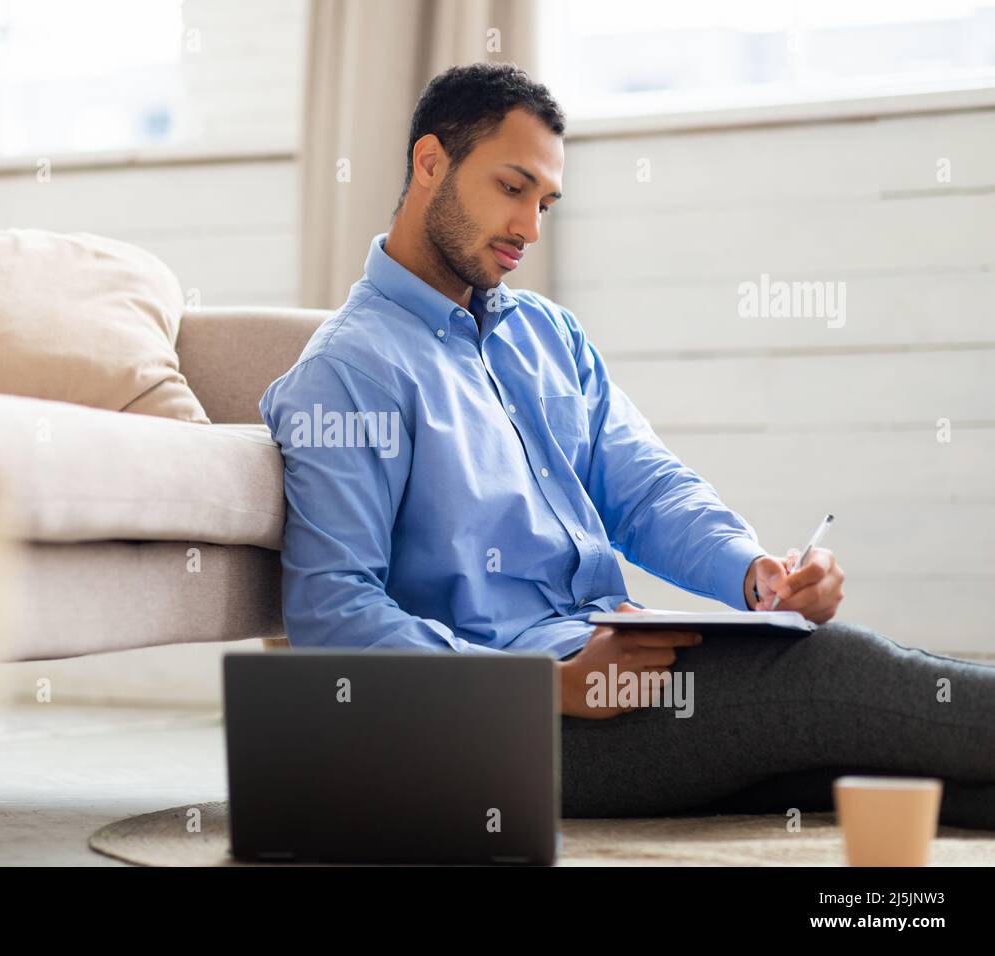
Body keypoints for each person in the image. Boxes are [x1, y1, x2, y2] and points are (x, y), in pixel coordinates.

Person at [259, 63, 995, 828]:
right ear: (429, 163)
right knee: (838, 676)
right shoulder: (346, 374)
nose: (530, 229)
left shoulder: (547, 335)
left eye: (545, 202)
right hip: (510, 731)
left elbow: (644, 488)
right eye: (512, 189)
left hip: (621, 664)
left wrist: (756, 575)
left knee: (883, 770)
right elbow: (333, 611)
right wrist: (549, 687)